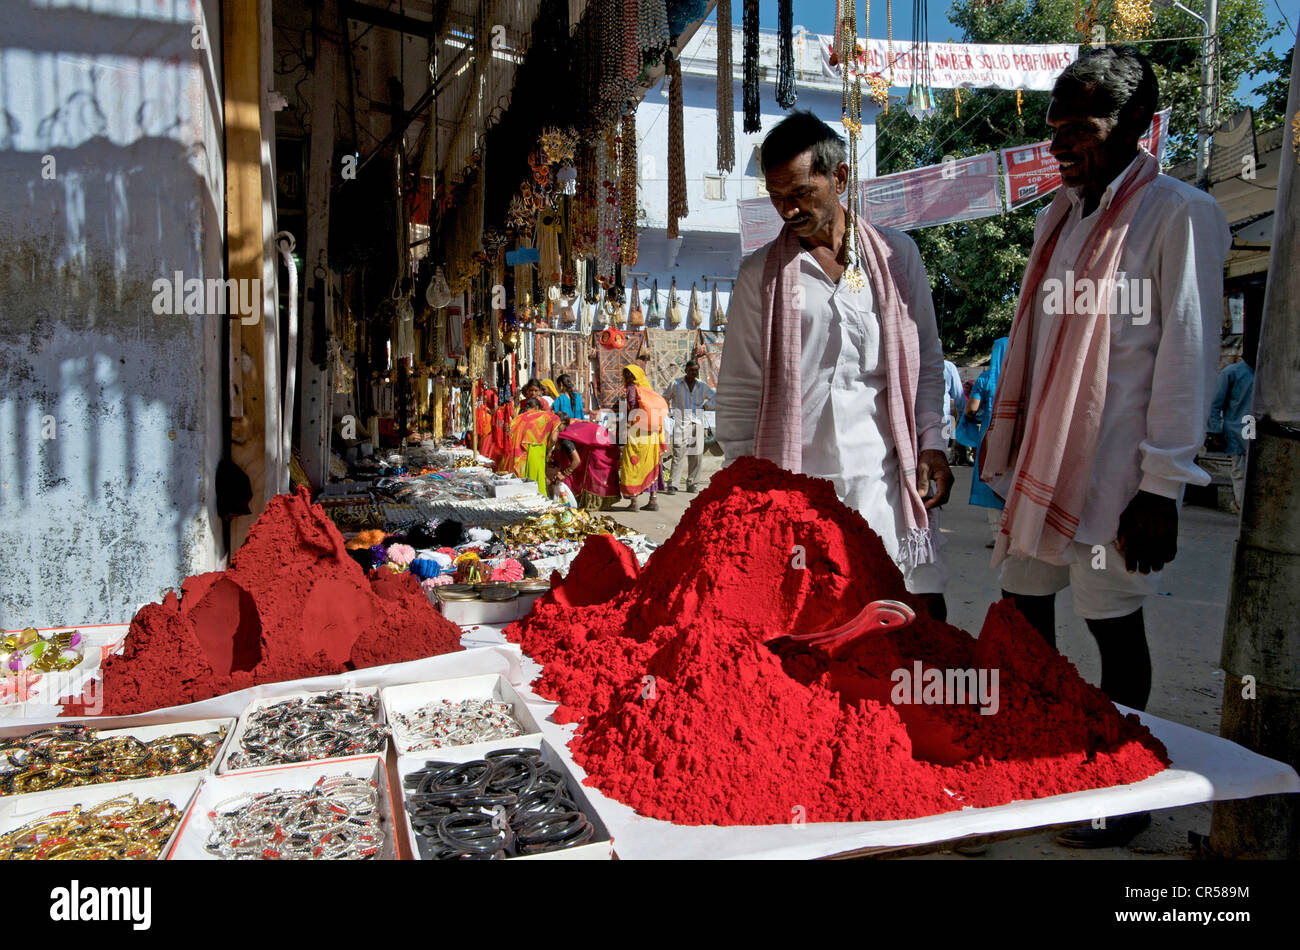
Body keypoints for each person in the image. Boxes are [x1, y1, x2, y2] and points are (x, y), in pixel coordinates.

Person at [979, 47, 1230, 848]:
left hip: (1117, 475)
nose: (1060, 149)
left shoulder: (1178, 214)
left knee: (1113, 628)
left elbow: (1187, 356)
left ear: (1135, 127)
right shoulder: (1062, 216)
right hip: (1045, 469)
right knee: (1024, 610)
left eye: (1078, 131)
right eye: (1055, 133)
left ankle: (1124, 792)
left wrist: (1163, 487)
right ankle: (1048, 762)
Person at [715, 110, 953, 622]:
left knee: (919, 618)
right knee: (820, 627)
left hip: (888, 478)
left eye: (801, 193)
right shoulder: (760, 275)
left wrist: (932, 440)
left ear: (840, 178)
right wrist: (744, 482)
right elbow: (738, 388)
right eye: (777, 197)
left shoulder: (896, 256)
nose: (788, 209)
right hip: (800, 483)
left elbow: (926, 360)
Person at [957, 338, 1008, 547]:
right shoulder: (1027, 380)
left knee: (991, 480)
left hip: (991, 436)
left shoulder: (986, 379)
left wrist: (973, 419)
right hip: (1019, 439)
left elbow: (971, 409)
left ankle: (998, 538)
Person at [1206, 356, 1254, 510]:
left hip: (1257, 432)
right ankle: (1243, 512)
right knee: (1241, 473)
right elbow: (1214, 404)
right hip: (1238, 432)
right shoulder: (1231, 373)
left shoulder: (1268, 373)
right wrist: (1215, 431)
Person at [662, 359, 716, 493]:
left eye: (696, 370)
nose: (694, 372)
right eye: (692, 370)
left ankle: (692, 483)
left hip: (697, 422)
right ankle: (673, 484)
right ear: (686, 371)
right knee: (678, 453)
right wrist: (668, 413)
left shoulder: (702, 386)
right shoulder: (676, 384)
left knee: (696, 454)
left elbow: (714, 397)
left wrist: (706, 406)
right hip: (681, 421)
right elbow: (665, 397)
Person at [619, 365, 666, 512]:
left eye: (628, 376)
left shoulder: (632, 389)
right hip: (651, 433)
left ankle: (634, 502)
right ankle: (653, 500)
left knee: (633, 463)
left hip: (637, 433)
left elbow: (632, 407)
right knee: (651, 464)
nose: (626, 379)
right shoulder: (648, 390)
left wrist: (625, 426)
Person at [506, 397, 561, 494]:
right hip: (537, 450)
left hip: (517, 454)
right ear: (537, 407)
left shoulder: (517, 419)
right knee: (536, 485)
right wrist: (548, 449)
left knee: (520, 485)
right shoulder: (548, 416)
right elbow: (553, 438)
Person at [943, 359, 967, 465]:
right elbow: (958, 395)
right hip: (943, 417)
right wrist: (962, 416)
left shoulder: (913, 362)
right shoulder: (948, 366)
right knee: (940, 452)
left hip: (917, 417)